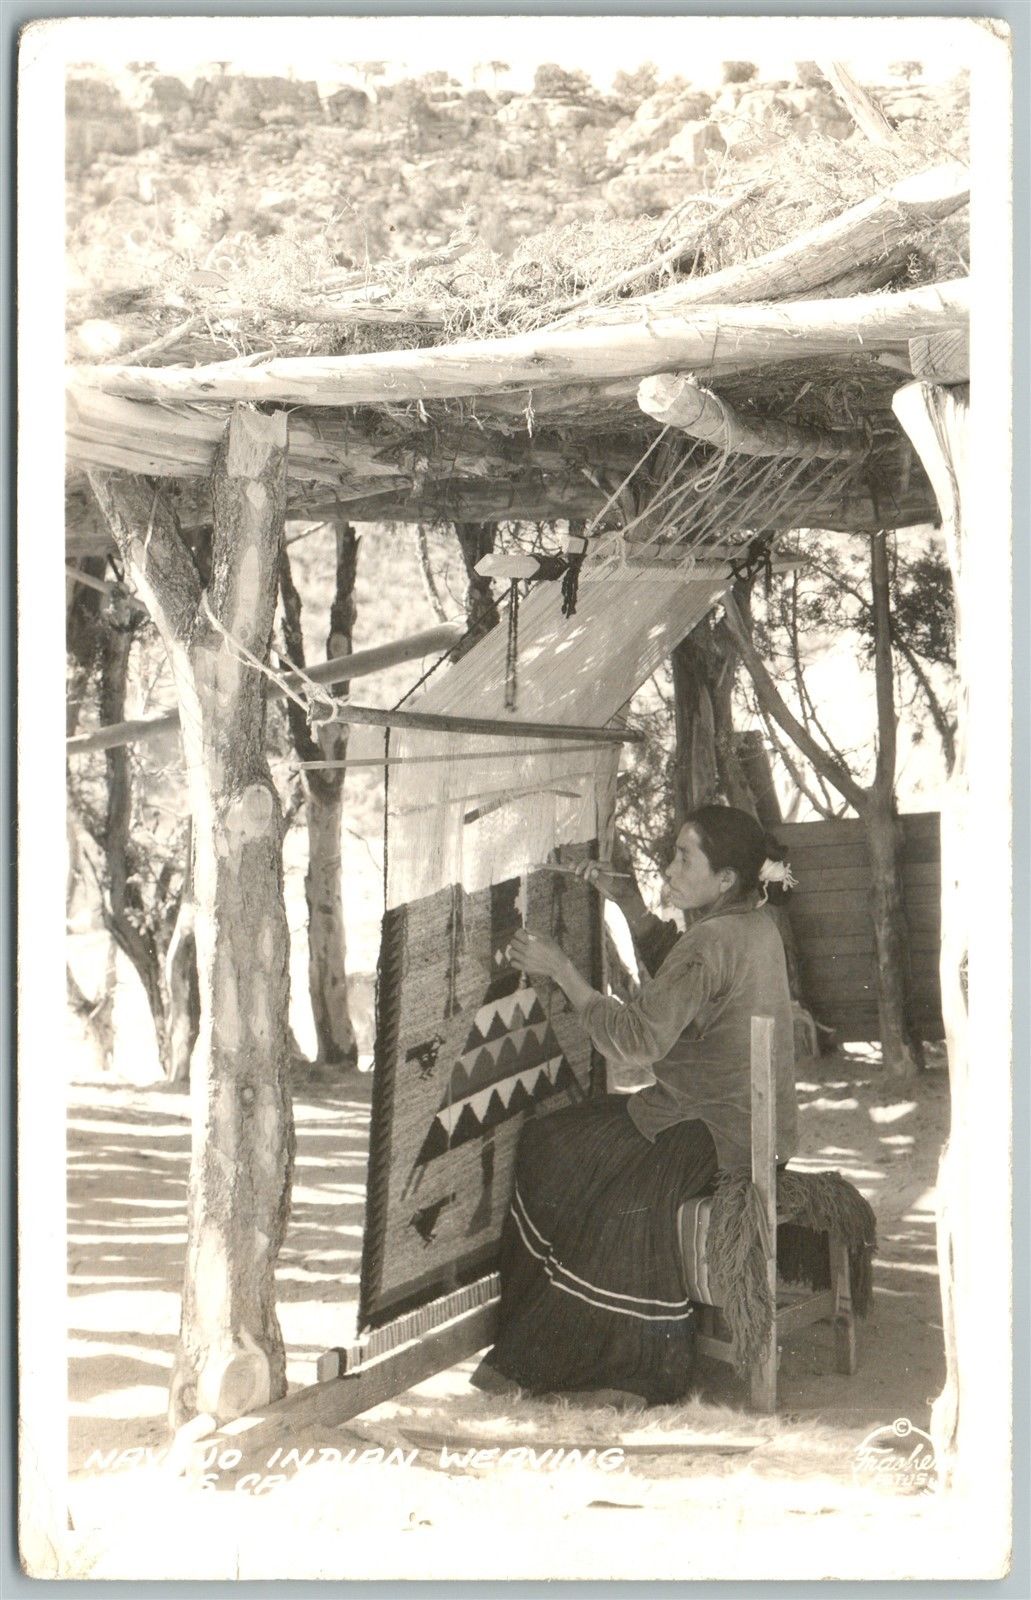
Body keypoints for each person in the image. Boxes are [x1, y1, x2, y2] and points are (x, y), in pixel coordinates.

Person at [475, 804, 797, 1406]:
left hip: (709, 1132)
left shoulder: (709, 942)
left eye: (684, 859)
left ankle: (615, 1362)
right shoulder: (755, 924)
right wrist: (628, 904)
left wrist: (562, 971)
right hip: (750, 1125)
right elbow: (685, 981)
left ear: (725, 879)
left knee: (565, 1158)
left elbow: (637, 1039)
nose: (669, 868)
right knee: (563, 1140)